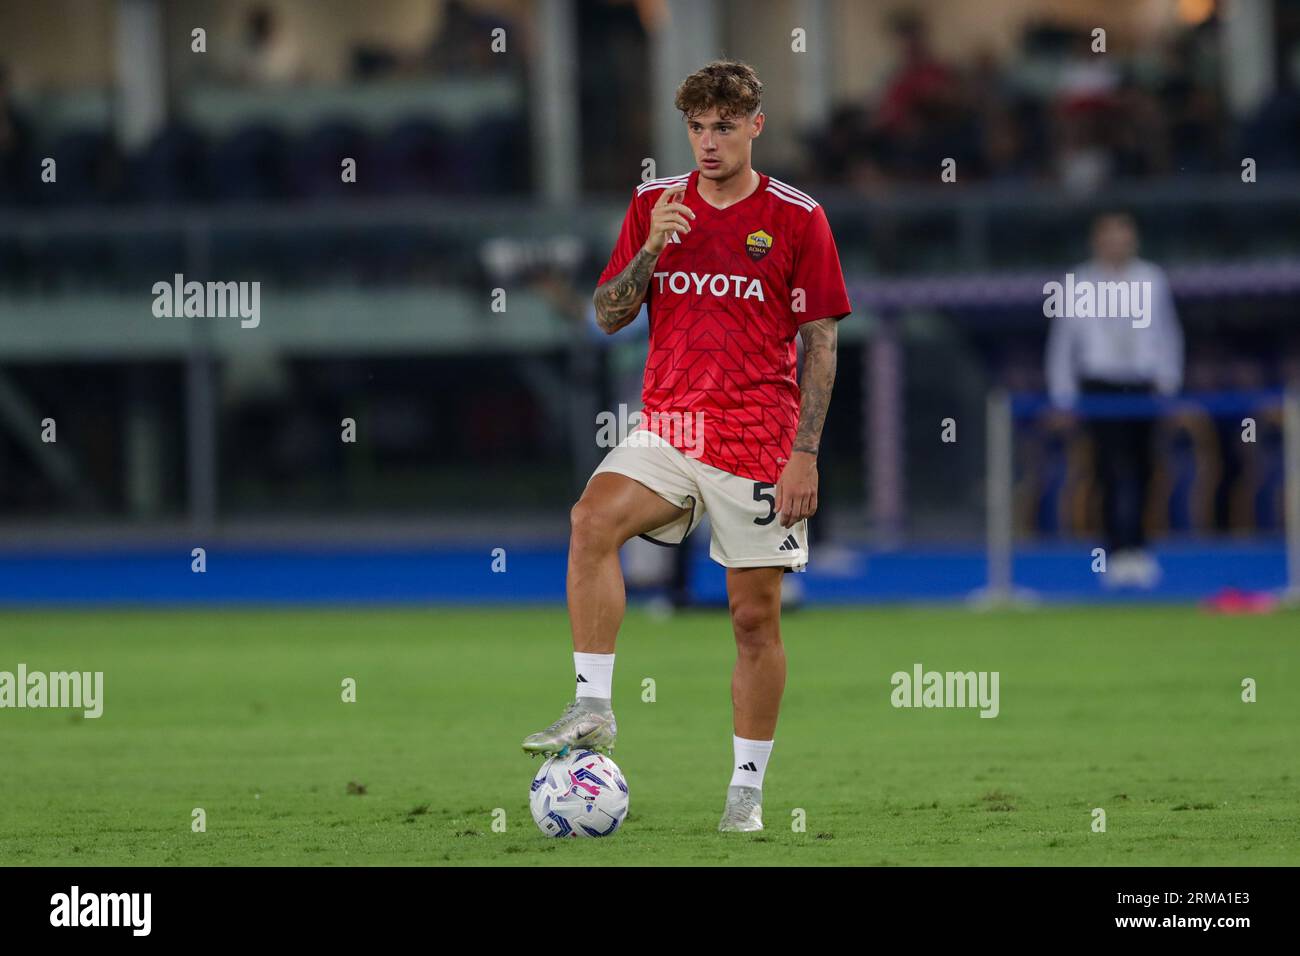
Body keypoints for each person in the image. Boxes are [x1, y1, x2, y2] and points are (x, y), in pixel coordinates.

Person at [520, 60, 851, 832]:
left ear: (754, 127)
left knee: (752, 621)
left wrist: (805, 452)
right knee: (590, 520)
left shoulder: (799, 218)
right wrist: (650, 253)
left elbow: (823, 343)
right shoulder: (653, 206)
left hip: (761, 439)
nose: (708, 142)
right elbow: (606, 315)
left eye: (724, 127)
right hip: (672, 424)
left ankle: (745, 792)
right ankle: (594, 706)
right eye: (698, 127)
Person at [1046, 211, 1184, 587]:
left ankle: (1139, 550)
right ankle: (1112, 552)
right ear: (1097, 242)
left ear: (1133, 241)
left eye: (1123, 237)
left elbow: (1166, 333)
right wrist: (1063, 397)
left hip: (1141, 385)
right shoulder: (1077, 281)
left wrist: (1168, 384)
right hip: (1099, 385)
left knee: (1144, 468)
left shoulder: (1151, 278)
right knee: (1107, 470)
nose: (1116, 244)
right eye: (1109, 237)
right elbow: (1063, 344)